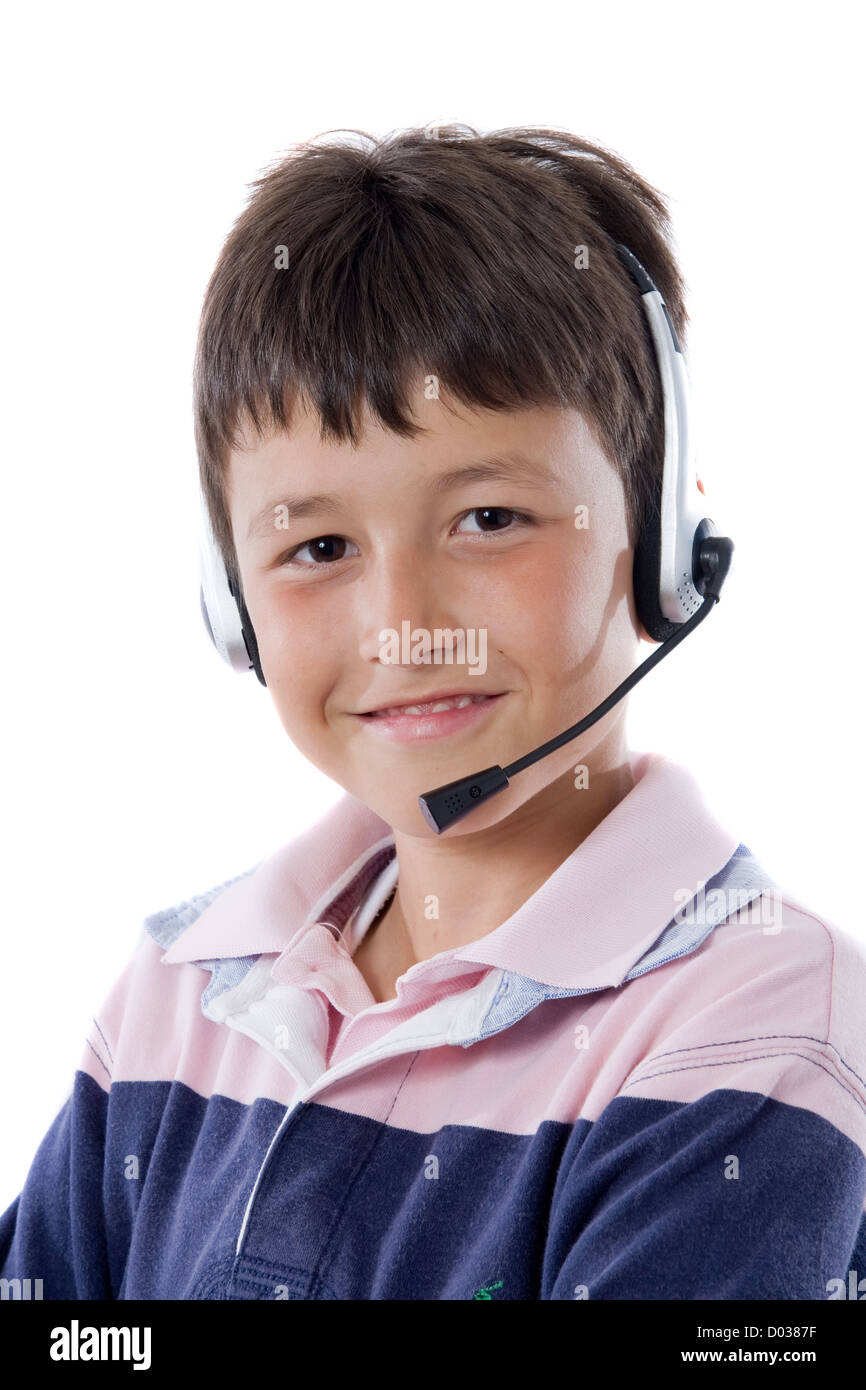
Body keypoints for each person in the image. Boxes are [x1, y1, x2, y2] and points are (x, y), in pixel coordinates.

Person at [2, 124, 864, 1300]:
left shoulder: (753, 1029)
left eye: (490, 518)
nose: (402, 624)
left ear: (659, 541)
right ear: (231, 601)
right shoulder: (183, 990)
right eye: (316, 546)